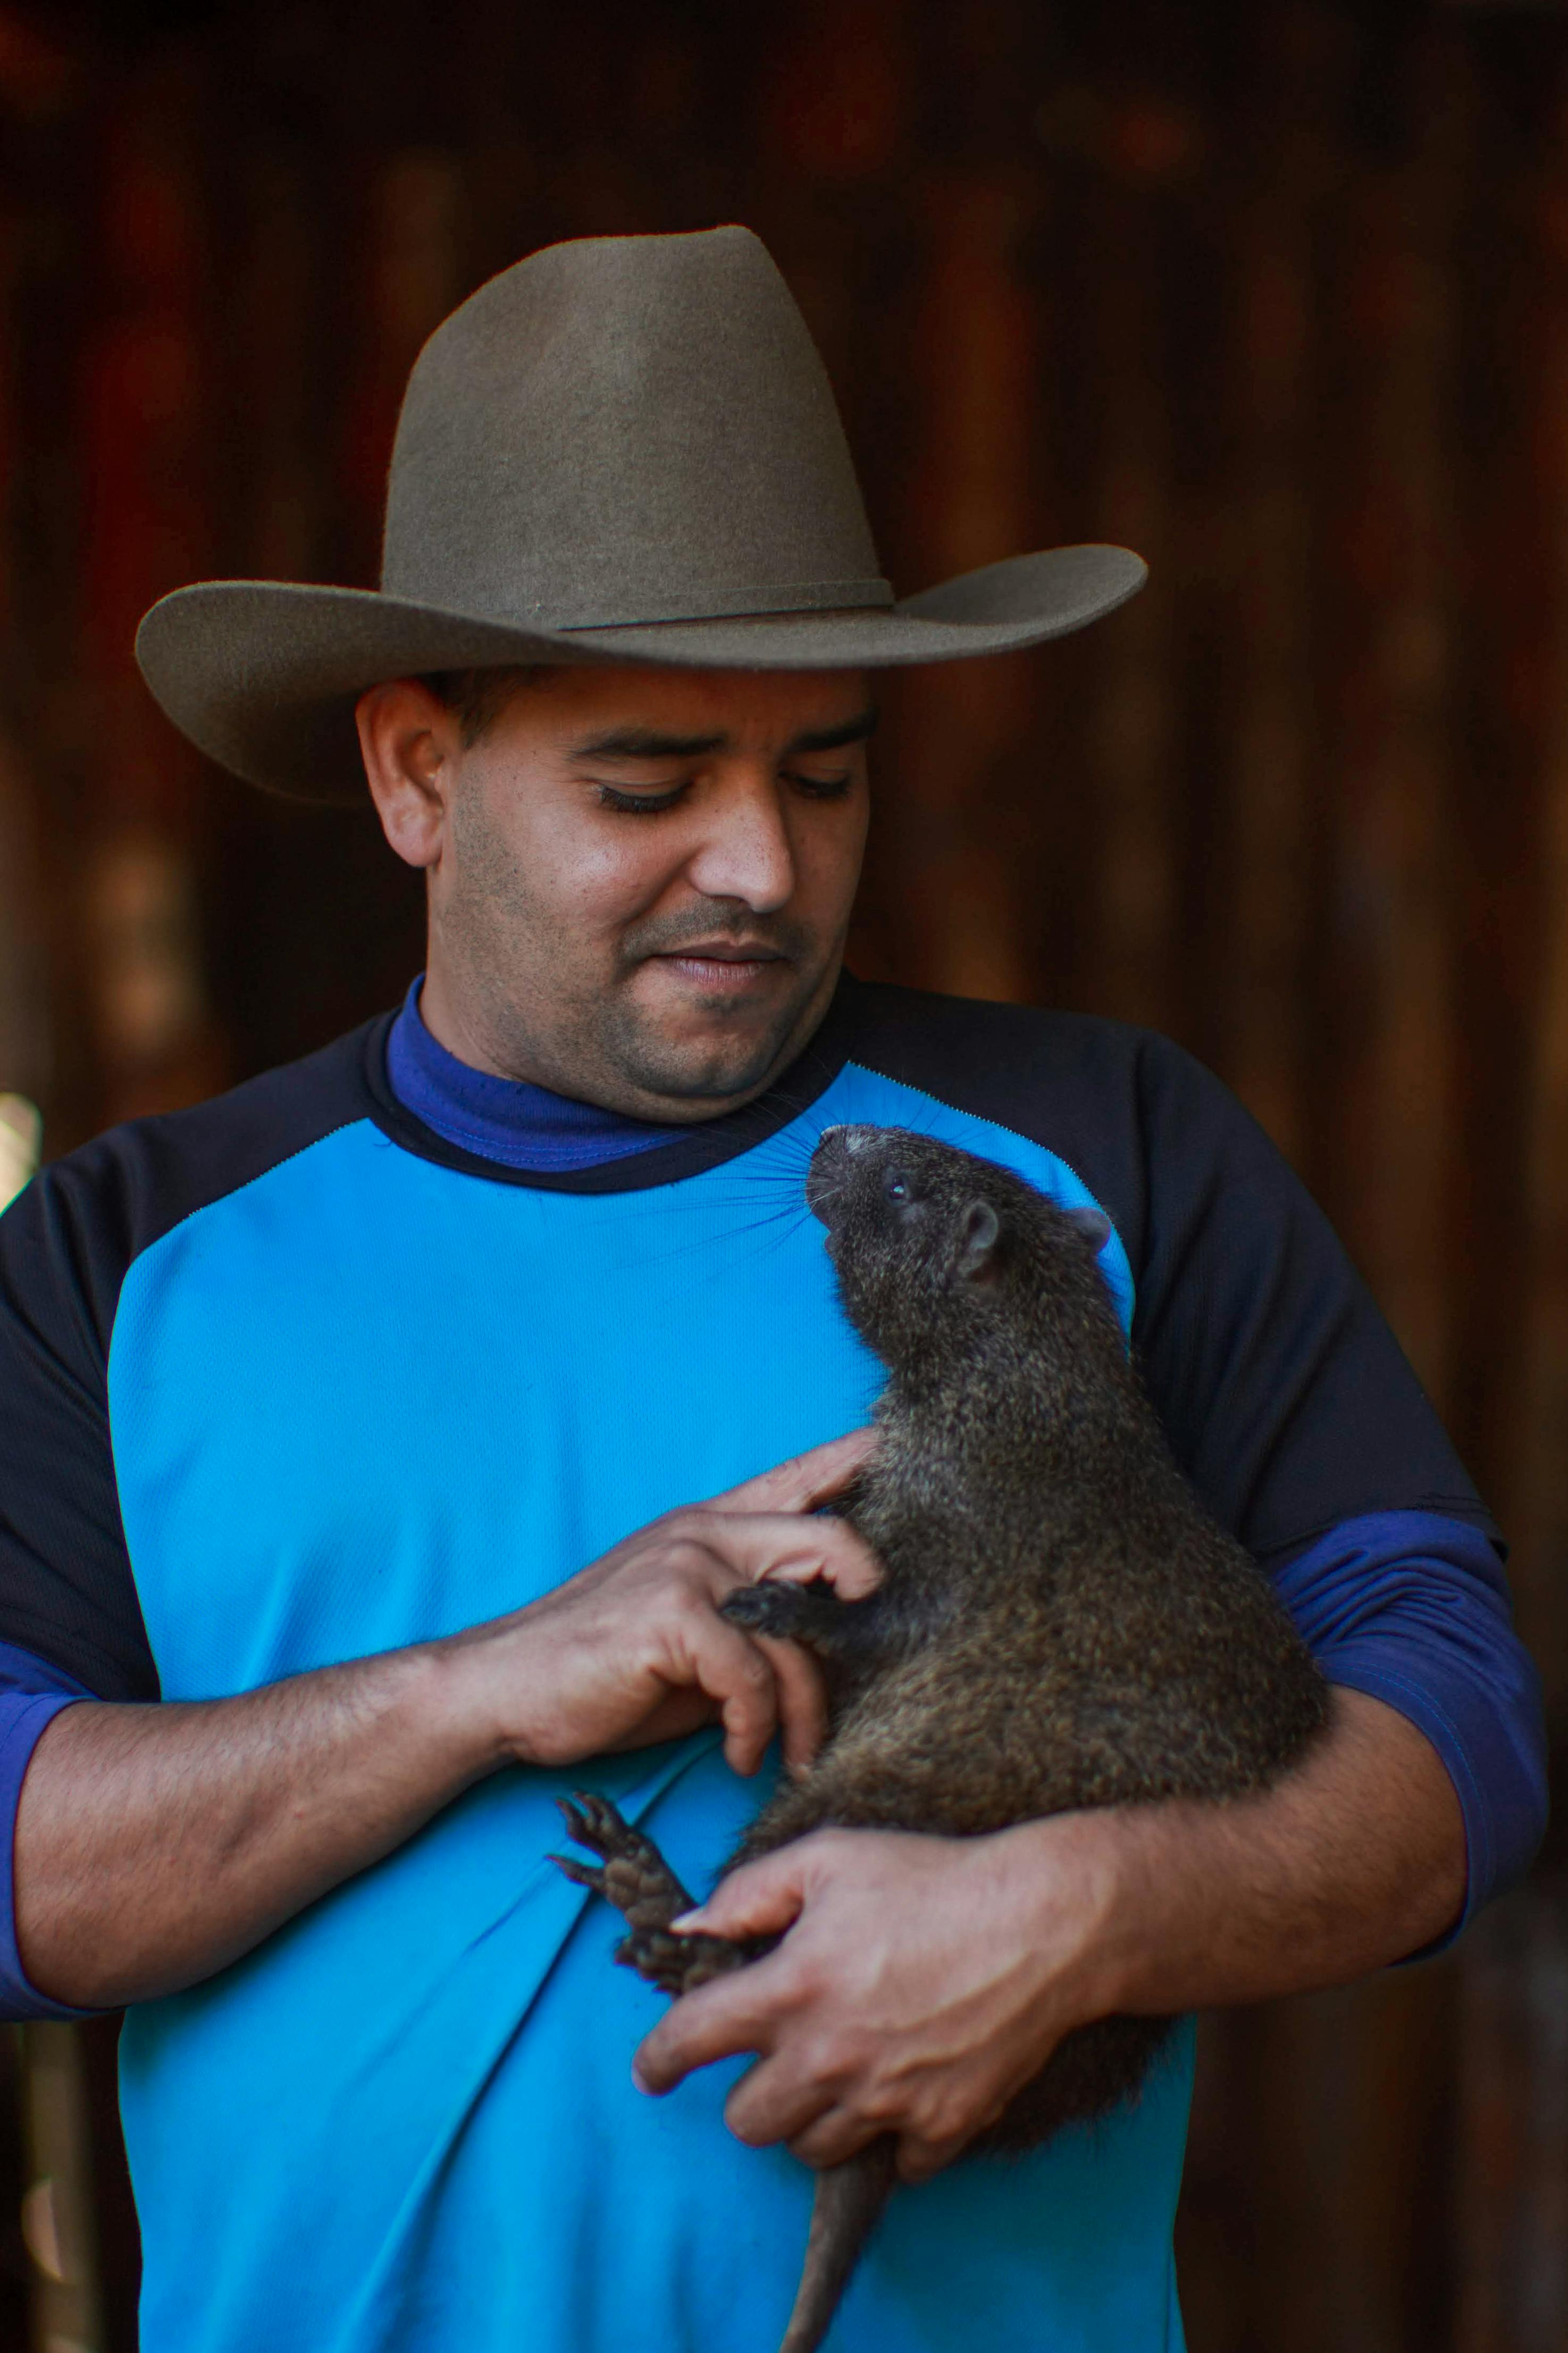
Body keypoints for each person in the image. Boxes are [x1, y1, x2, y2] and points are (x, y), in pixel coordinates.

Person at [0, 228, 1545, 2353]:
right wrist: (476, 1683)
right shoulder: (130, 1253)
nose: (762, 863)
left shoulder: (1100, 1158)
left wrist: (1079, 1911)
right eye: (651, 783)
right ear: (415, 771)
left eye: (823, 772)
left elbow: (1459, 1706)